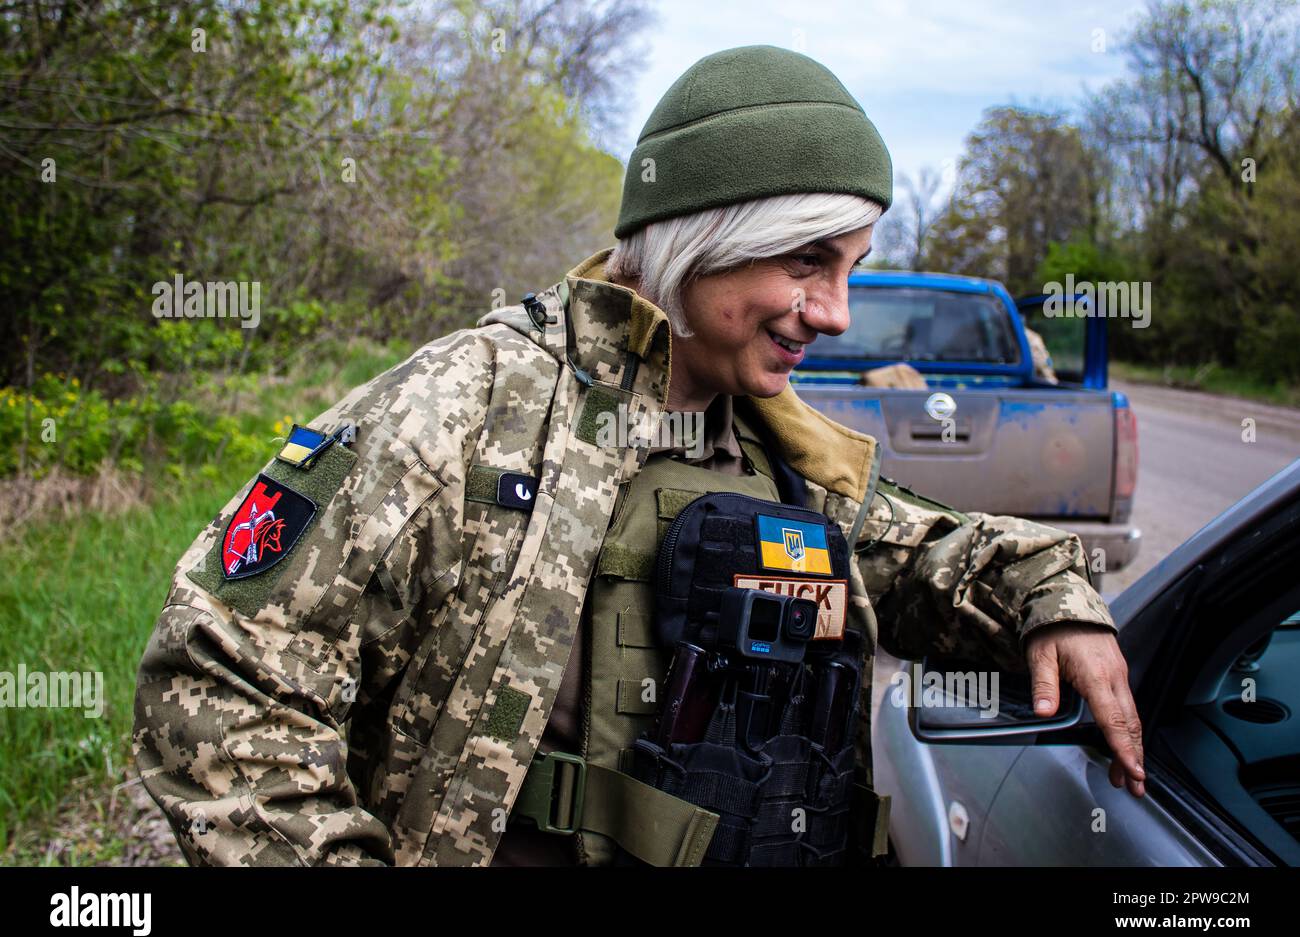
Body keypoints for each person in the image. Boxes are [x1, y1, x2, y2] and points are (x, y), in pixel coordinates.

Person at [132, 45, 1144, 867]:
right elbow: (220, 679)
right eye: (807, 260)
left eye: (850, 269)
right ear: (708, 232)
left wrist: (1049, 592)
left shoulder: (772, 441)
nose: (834, 312)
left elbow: (924, 553)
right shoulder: (471, 401)